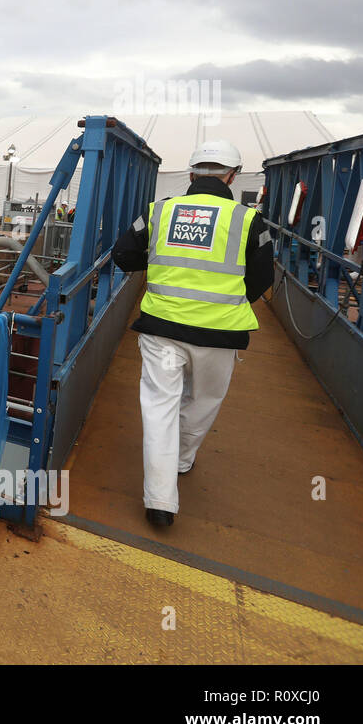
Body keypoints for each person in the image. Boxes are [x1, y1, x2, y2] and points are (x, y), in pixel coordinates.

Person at [112, 140, 273, 527]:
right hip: (219, 336)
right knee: (203, 402)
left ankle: (161, 502)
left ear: (190, 174)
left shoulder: (160, 211)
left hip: (162, 330)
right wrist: (225, 303)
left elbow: (123, 255)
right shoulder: (248, 220)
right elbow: (262, 279)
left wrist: (160, 268)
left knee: (159, 410)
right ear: (232, 176)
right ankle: (183, 460)